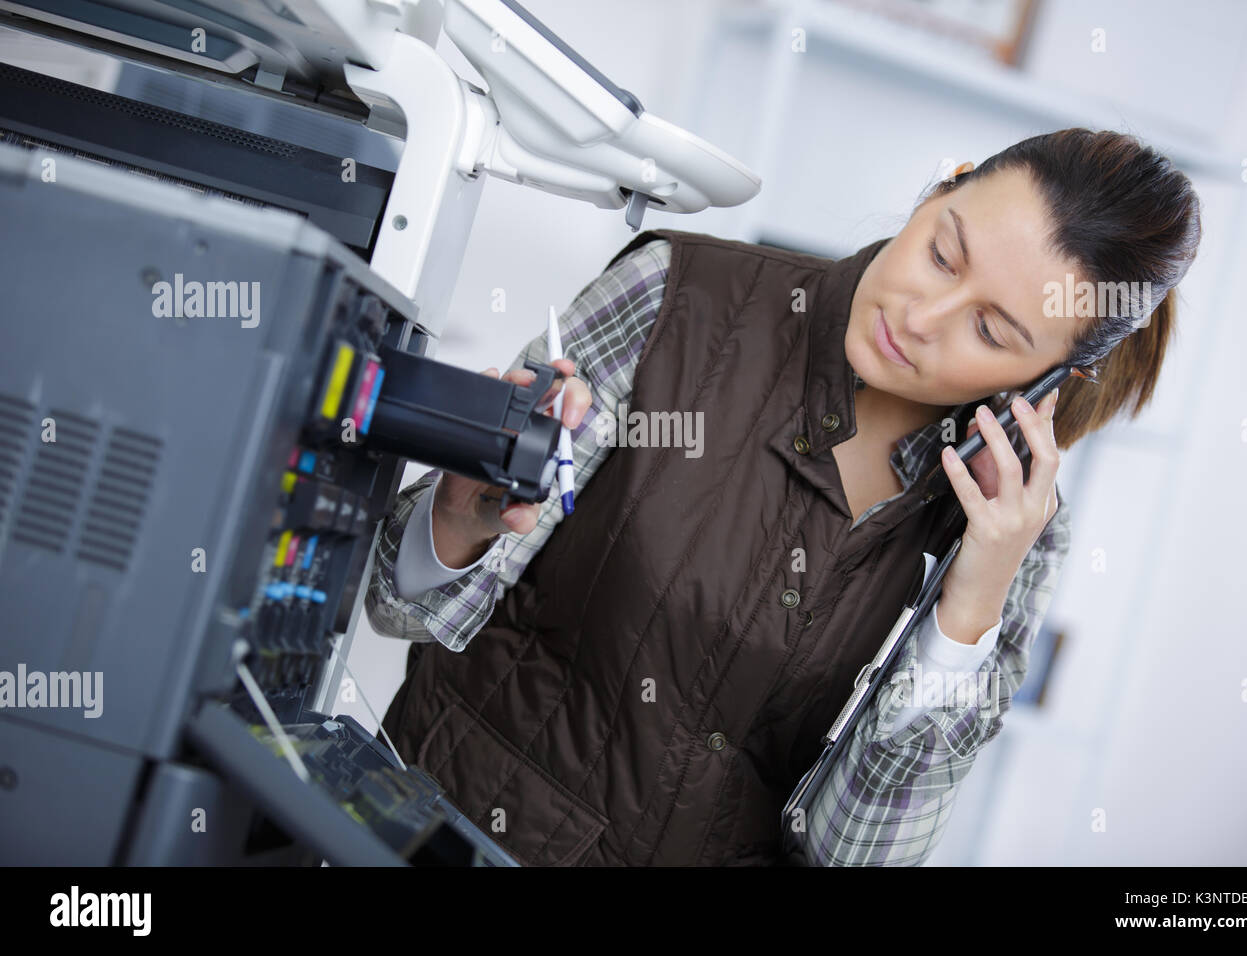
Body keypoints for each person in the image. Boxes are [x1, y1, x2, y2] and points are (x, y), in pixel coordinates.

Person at [364, 128, 1202, 866]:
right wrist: (464, 510)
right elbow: (394, 605)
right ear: (944, 185)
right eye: (944, 253)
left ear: (1055, 379)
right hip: (430, 831)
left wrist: (968, 612)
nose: (921, 317)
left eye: (990, 331)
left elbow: (857, 851)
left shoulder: (1012, 527)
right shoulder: (678, 301)